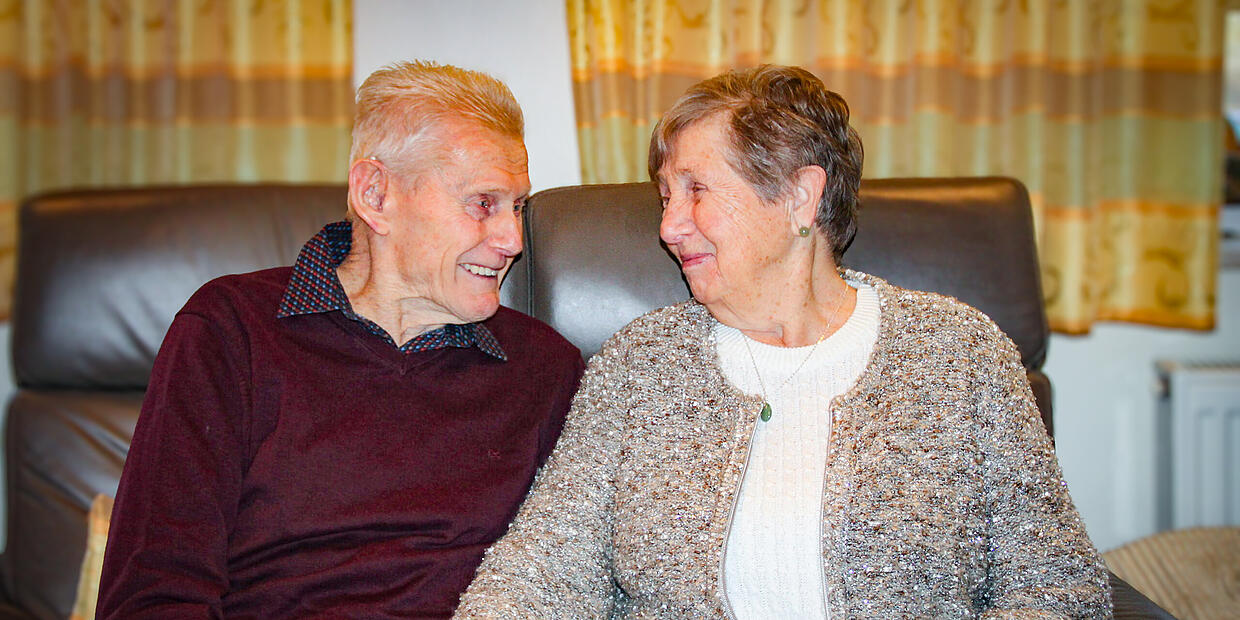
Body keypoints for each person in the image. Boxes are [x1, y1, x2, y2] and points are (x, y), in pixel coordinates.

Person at [453, 65, 1111, 618]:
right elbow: (542, 566)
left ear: (799, 197)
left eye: (697, 191)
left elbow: (1057, 585)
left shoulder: (960, 354)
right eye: (664, 196)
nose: (669, 225)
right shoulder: (639, 363)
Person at [96, 61, 584, 618]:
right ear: (375, 194)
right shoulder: (231, 331)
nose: (511, 240)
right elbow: (154, 591)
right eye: (483, 203)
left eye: (517, 206)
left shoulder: (544, 369)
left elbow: (572, 581)